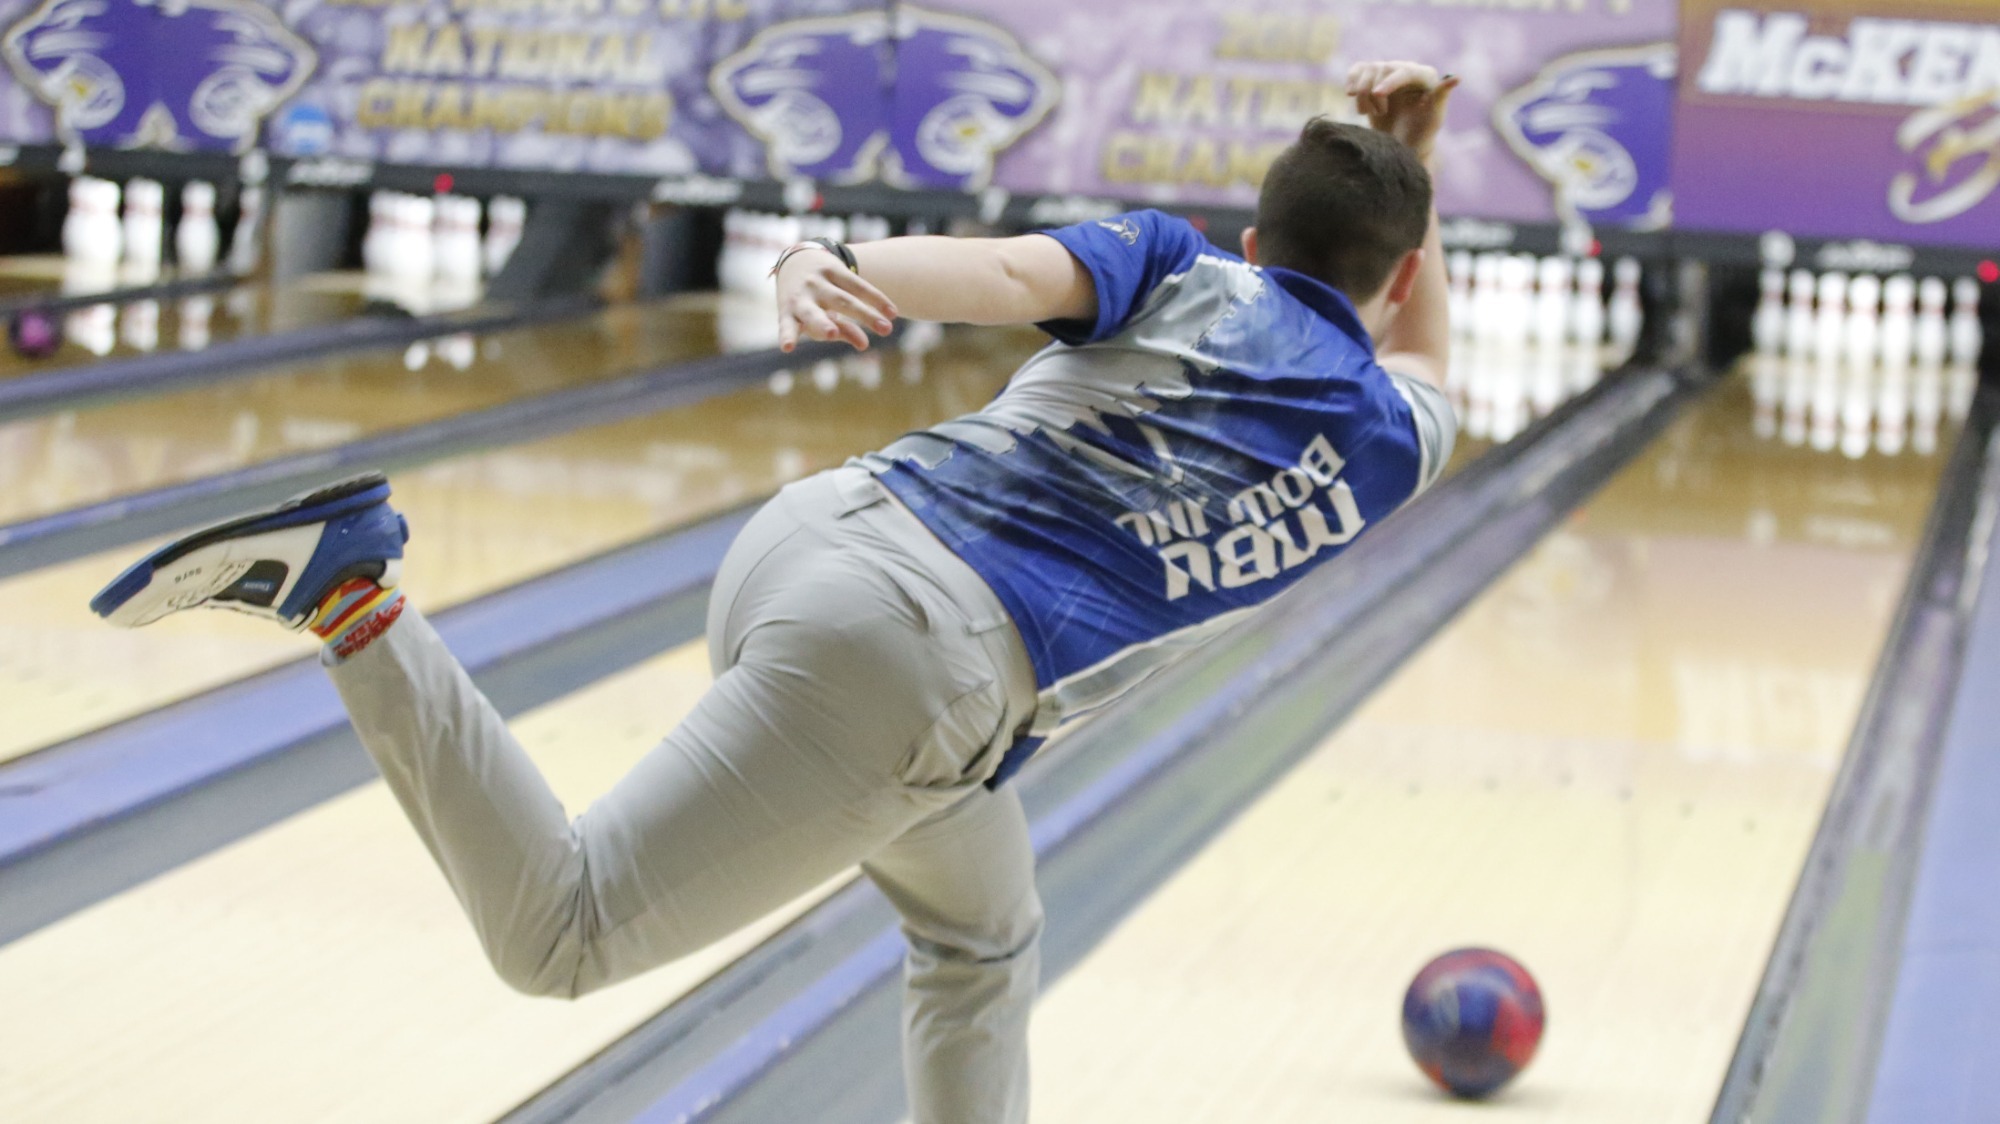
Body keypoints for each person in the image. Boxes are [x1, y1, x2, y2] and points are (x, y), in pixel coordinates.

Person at [91, 62, 1460, 1124]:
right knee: (558, 936)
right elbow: (1429, 356)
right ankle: (351, 598)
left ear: (1252, 233)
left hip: (822, 536)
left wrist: (831, 265)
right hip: (917, 674)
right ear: (1400, 278)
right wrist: (1423, 183)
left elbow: (990, 274)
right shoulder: (1396, 440)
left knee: (982, 924)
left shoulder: (1177, 261)